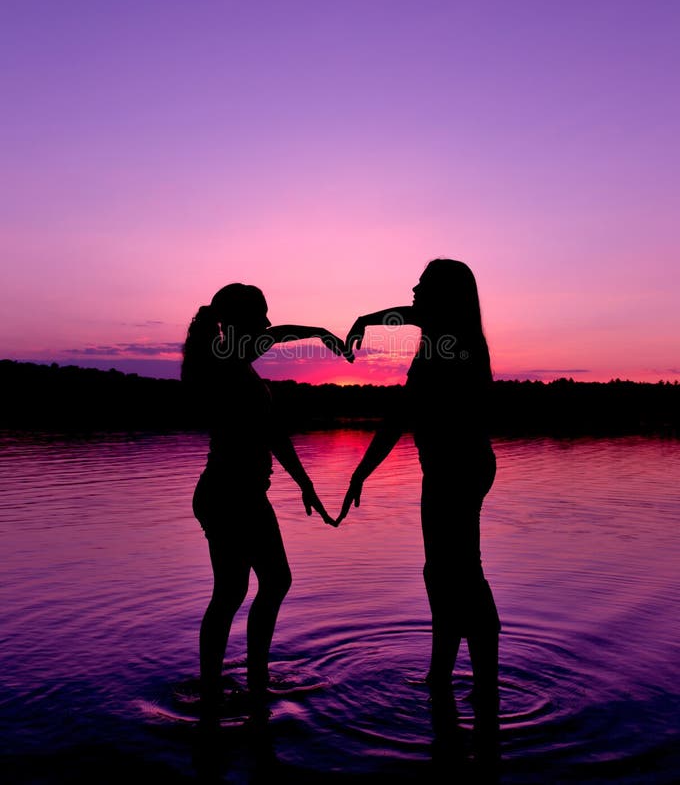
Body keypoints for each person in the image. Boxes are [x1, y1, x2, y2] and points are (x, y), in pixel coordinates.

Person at [337, 259, 500, 712]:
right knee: (442, 574)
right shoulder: (443, 339)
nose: (413, 288)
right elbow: (401, 414)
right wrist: (361, 471)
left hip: (458, 470)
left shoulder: (455, 343)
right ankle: (441, 678)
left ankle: (486, 687)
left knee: (462, 575)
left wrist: (368, 320)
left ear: (445, 296)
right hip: (449, 469)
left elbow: (399, 415)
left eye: (424, 284)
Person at [182, 283, 345, 717]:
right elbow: (276, 337)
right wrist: (319, 332)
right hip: (230, 494)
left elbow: (271, 431)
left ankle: (244, 685)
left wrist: (304, 482)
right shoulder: (223, 359)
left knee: (247, 588)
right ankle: (229, 688)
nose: (268, 323)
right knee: (249, 588)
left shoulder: (237, 365)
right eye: (262, 315)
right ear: (240, 322)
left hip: (240, 492)